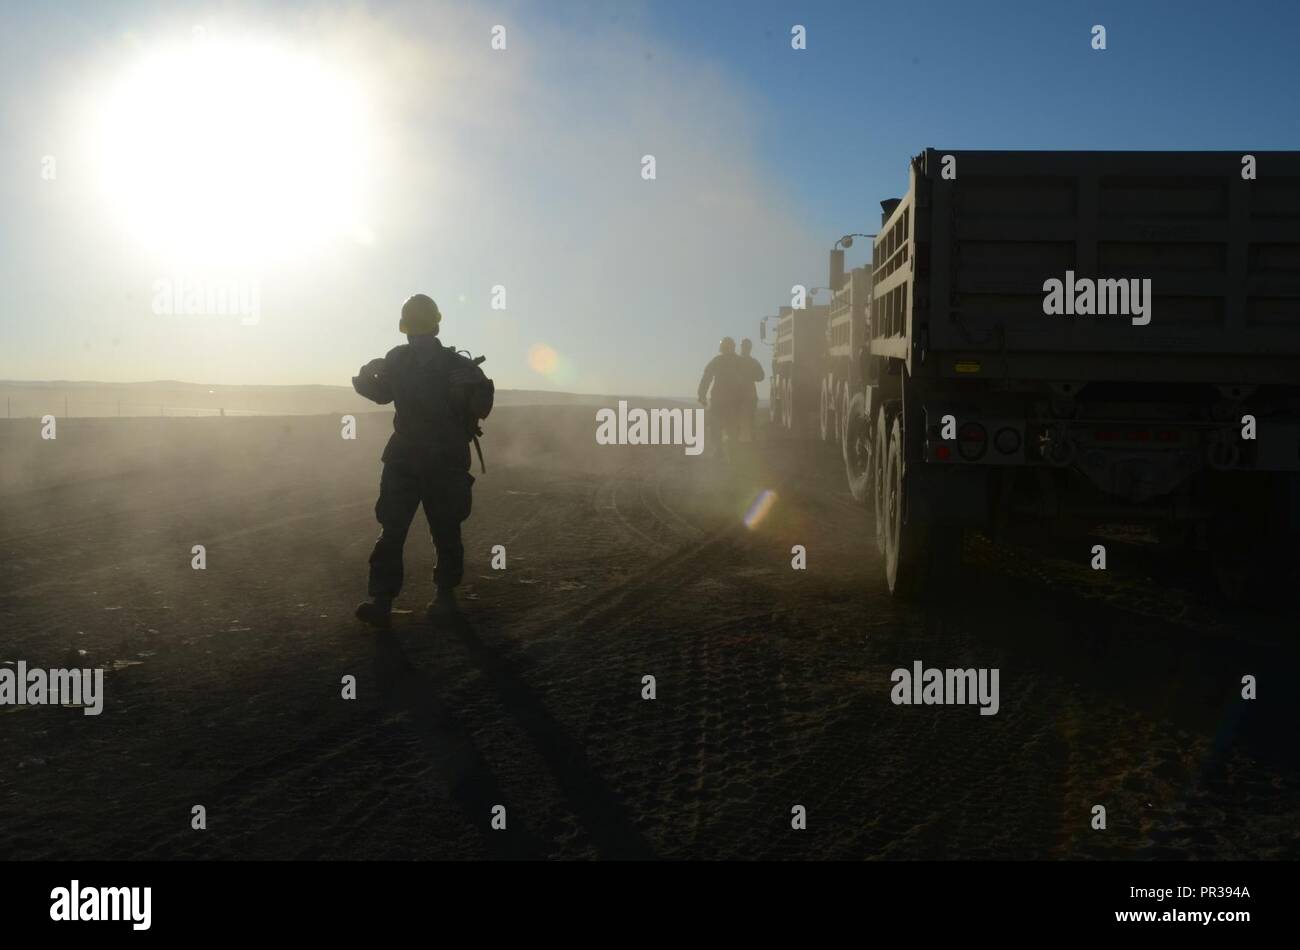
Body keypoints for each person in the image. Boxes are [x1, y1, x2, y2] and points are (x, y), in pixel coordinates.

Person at [351, 294, 495, 628]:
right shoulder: (400, 359)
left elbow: (482, 406)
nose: (415, 336)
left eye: (418, 329)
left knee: (440, 530)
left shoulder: (457, 365)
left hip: (441, 459)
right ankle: (389, 601)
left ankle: (439, 598)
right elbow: (380, 393)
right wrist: (366, 374)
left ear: (430, 328)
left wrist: (472, 388)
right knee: (396, 529)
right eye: (412, 330)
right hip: (408, 458)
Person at [697, 337, 747, 459]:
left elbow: (706, 378)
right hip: (731, 401)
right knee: (729, 427)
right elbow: (707, 378)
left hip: (722, 400)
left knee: (718, 427)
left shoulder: (718, 361)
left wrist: (702, 395)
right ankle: (728, 451)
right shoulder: (739, 362)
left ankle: (722, 450)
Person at [738, 338, 765, 441]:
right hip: (749, 395)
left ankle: (739, 441)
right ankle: (749, 440)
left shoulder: (735, 361)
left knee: (741, 418)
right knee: (749, 419)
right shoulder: (753, 362)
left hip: (741, 396)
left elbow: (761, 376)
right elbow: (761, 376)